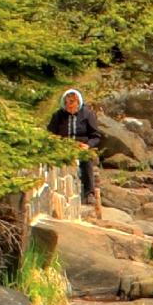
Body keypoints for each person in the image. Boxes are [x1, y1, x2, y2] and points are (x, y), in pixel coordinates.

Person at [46, 88, 104, 220]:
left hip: (81, 147)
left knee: (86, 161)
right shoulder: (58, 116)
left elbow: (96, 136)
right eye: (68, 106)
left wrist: (88, 145)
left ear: (78, 104)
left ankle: (89, 193)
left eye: (73, 106)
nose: (70, 109)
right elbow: (50, 134)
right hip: (63, 147)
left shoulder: (87, 114)